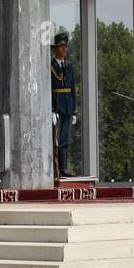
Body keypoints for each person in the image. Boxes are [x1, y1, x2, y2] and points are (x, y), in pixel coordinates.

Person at [50, 32, 77, 177]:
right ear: (55, 49)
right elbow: (50, 90)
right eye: (61, 47)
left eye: (65, 47)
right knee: (56, 139)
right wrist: (52, 109)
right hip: (57, 108)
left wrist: (74, 111)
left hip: (67, 107)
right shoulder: (51, 66)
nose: (64, 50)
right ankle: (55, 169)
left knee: (65, 139)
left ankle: (63, 169)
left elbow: (72, 90)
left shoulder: (69, 67)